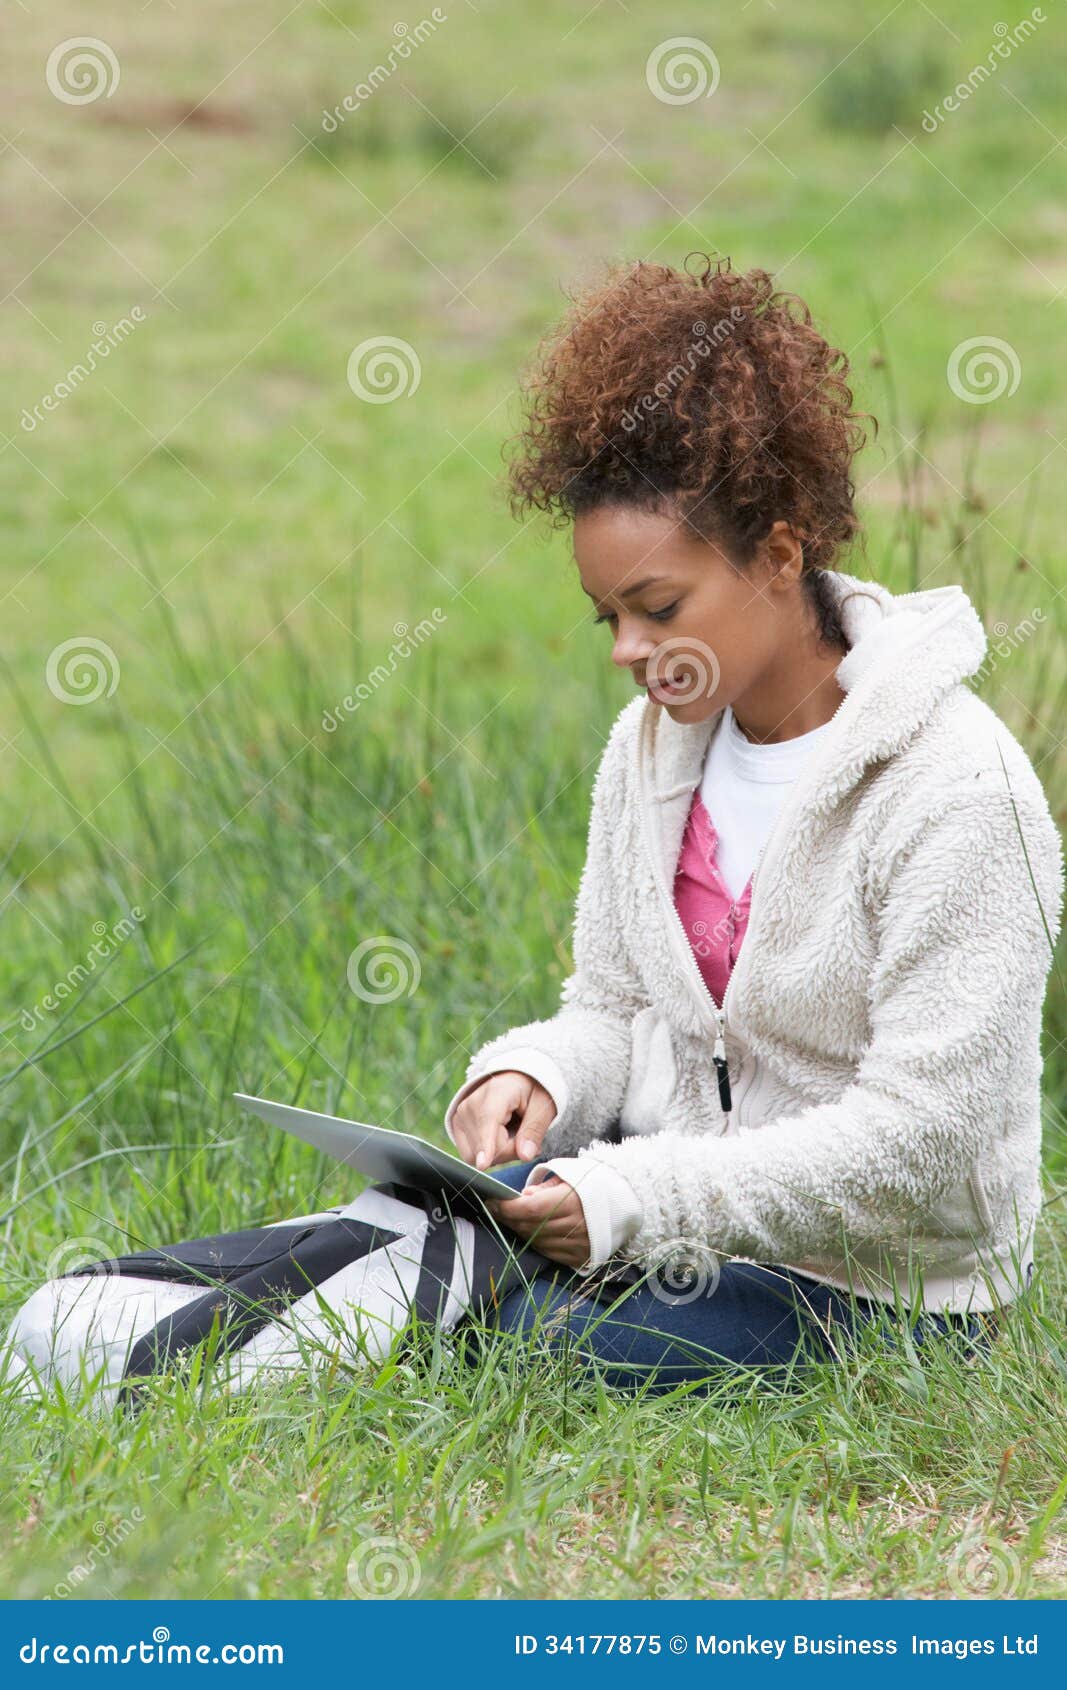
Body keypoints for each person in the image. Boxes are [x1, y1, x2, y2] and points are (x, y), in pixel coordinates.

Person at [5, 256, 1062, 1403]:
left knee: (516, 1342)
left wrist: (637, 1197)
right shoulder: (653, 750)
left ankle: (221, 1349)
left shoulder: (957, 790)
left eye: (656, 607)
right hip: (674, 1216)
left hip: (878, 1292)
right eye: (606, 614)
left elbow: (920, 1140)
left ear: (776, 549)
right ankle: (150, 1321)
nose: (622, 647)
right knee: (440, 1240)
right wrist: (539, 1078)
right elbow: (613, 1005)